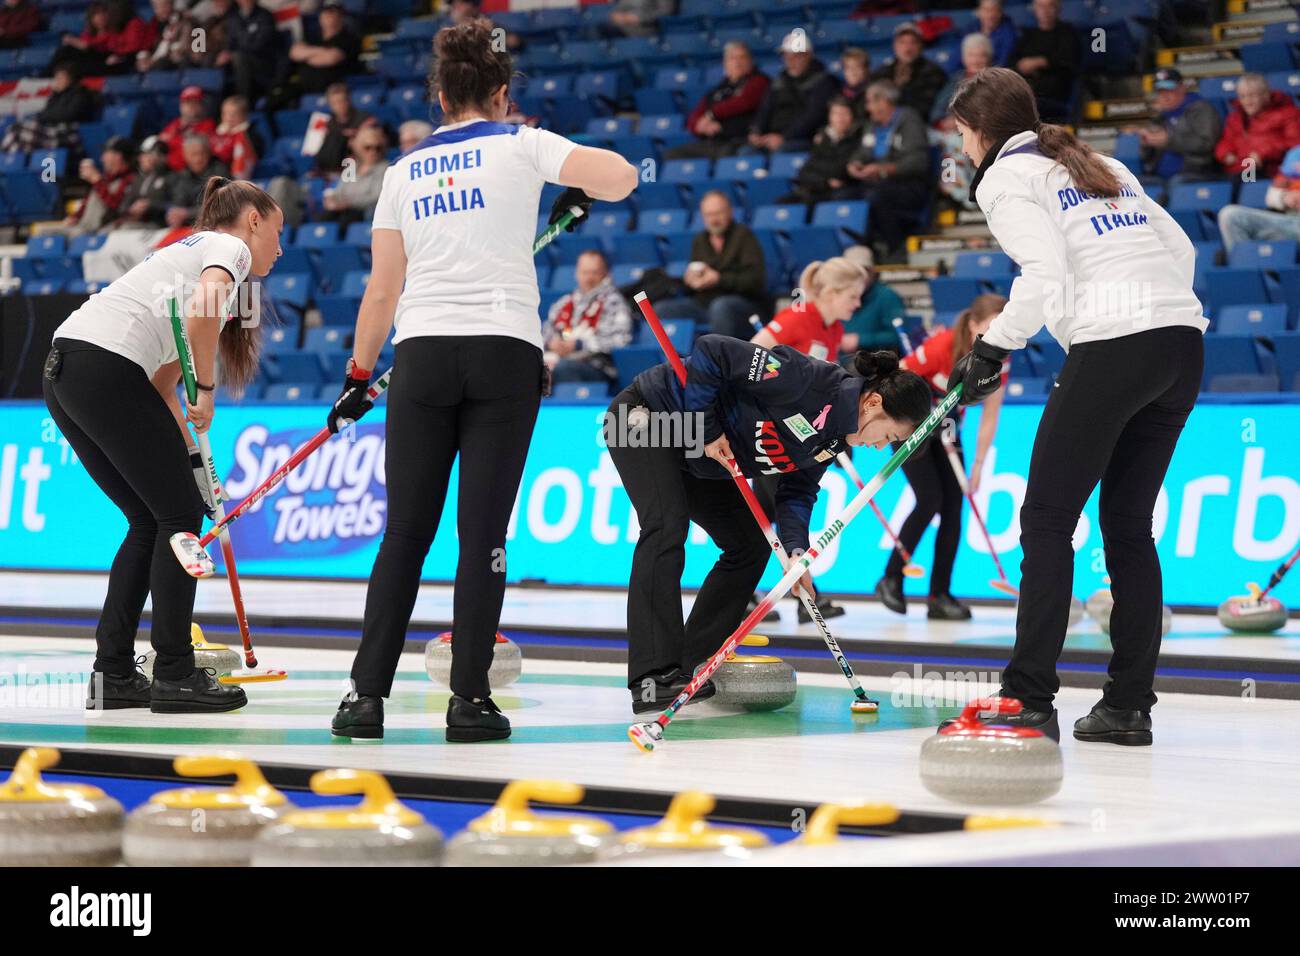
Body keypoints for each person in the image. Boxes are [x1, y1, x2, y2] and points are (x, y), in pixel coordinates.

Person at [327, 18, 636, 743]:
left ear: (439, 98)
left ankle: (363, 699)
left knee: (403, 532)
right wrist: (563, 178)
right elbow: (620, 176)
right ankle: (469, 701)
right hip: (503, 352)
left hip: (423, 354)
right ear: (500, 93)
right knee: (483, 536)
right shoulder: (522, 142)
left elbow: (381, 291)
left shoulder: (402, 171)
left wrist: (358, 375)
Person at [947, 68, 1207, 745]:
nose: (964, 152)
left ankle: (1028, 699)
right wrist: (1147, 308)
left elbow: (1043, 275)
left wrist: (993, 348)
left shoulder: (1006, 180)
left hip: (1116, 346)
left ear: (978, 133)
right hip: (1181, 344)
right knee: (1126, 524)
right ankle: (1127, 707)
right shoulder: (1101, 161)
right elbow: (1178, 248)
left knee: (1046, 520)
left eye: (962, 137)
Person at [43, 177, 283, 714]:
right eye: (276, 231)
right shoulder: (229, 248)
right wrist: (209, 389)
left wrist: (193, 457)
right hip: (103, 369)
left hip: (67, 370)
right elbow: (201, 314)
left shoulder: (188, 252)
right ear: (251, 220)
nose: (279, 246)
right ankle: (174, 672)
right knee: (179, 520)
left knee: (151, 520)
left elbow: (161, 388)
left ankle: (113, 674)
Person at [608, 335, 932, 713]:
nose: (880, 447)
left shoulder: (833, 439)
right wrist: (708, 428)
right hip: (649, 416)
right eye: (888, 436)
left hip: (696, 457)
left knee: (750, 544)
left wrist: (796, 553)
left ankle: (689, 664)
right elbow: (713, 351)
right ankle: (652, 678)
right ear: (874, 402)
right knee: (665, 527)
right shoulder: (806, 380)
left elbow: (797, 490)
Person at [749, 257, 871, 624]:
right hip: (770, 432)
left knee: (765, 517)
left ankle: (781, 595)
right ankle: (803, 598)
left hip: (798, 434)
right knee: (772, 514)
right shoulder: (796, 317)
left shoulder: (831, 327)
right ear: (831, 293)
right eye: (853, 295)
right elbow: (752, 352)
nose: (858, 304)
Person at [875, 293, 1008, 621]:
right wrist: (917, 414)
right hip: (912, 427)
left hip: (948, 431)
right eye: (991, 327)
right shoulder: (942, 345)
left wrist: (978, 464)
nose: (998, 334)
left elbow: (991, 413)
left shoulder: (1001, 356)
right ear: (974, 325)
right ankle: (891, 577)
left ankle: (939, 595)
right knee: (930, 498)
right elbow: (897, 379)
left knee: (953, 507)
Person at [656, 190, 768, 339]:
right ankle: (677, 359)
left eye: (718, 213)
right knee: (661, 310)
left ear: (730, 212)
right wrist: (690, 281)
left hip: (741, 305)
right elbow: (692, 282)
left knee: (721, 306)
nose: (714, 219)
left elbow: (755, 281)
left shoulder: (744, 236)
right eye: (708, 215)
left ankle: (718, 359)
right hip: (704, 305)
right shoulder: (700, 240)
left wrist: (719, 278)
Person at [846, 80, 931, 256]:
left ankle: (894, 249)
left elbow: (918, 162)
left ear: (883, 101)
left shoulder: (909, 119)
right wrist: (854, 164)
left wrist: (883, 169)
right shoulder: (872, 125)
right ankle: (857, 249)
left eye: (870, 102)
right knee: (843, 195)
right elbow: (862, 152)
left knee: (876, 197)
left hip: (908, 185)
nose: (867, 108)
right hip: (876, 184)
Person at [541, 249, 633, 388]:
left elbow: (620, 341)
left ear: (605, 274)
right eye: (585, 272)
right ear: (576, 273)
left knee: (564, 368)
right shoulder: (564, 303)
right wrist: (551, 343)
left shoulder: (614, 302)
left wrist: (579, 345)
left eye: (594, 272)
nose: (589, 278)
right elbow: (545, 333)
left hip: (595, 365)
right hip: (557, 359)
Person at [667, 42, 770, 161]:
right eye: (732, 58)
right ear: (725, 63)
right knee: (672, 155)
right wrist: (700, 126)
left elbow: (743, 102)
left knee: (727, 156)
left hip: (740, 140)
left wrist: (711, 114)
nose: (738, 63)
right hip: (713, 141)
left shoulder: (759, 81)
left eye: (742, 57)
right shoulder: (719, 89)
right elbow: (695, 117)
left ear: (750, 61)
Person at [747, 32, 838, 155]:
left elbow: (812, 116)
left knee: (782, 152)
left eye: (796, 56)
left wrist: (784, 137)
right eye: (787, 57)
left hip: (802, 139)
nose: (791, 61)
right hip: (771, 137)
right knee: (747, 152)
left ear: (808, 55)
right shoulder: (779, 80)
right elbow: (765, 108)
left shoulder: (823, 82)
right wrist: (756, 131)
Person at [1132, 68, 1221, 182]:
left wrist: (1169, 141)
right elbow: (1146, 159)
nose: (1164, 95)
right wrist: (1146, 143)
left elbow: (1206, 143)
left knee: (1176, 182)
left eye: (1169, 89)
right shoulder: (1160, 117)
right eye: (1160, 91)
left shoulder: (1200, 108)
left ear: (1182, 88)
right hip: (1158, 177)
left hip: (1196, 173)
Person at [1214, 73, 1300, 180]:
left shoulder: (1289, 114)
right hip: (1239, 168)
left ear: (1266, 95)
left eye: (1252, 96)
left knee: (1243, 180)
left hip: (1271, 170)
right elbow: (1226, 140)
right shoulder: (1234, 118)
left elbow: (1295, 144)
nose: (1247, 101)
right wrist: (1225, 153)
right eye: (1242, 96)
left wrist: (1263, 153)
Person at [778, 97, 861, 206]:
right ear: (830, 117)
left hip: (839, 192)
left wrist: (819, 171)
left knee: (811, 202)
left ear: (852, 117)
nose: (840, 118)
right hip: (818, 188)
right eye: (836, 114)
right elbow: (804, 172)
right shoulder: (823, 140)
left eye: (844, 113)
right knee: (782, 201)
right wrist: (825, 182)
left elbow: (839, 171)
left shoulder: (857, 141)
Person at [1217, 145, 1300, 253]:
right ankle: (1244, 264)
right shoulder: (1296, 154)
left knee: (1269, 236)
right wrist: (1284, 197)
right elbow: (1271, 197)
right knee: (1229, 215)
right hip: (1288, 221)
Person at [0, 62, 96, 154]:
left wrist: (44, 116)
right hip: (52, 130)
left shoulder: (80, 95)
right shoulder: (59, 95)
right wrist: (55, 95)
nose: (57, 81)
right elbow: (47, 111)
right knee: (17, 137)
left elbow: (68, 115)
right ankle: (9, 164)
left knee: (18, 130)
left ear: (71, 79)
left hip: (67, 134)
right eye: (56, 78)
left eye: (60, 78)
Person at [1010, 0, 1080, 121]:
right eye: (1041, 6)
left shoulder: (1068, 32)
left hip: (1055, 93)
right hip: (1028, 89)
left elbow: (1067, 60)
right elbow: (1012, 62)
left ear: (1058, 9)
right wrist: (1022, 66)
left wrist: (1039, 61)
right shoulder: (1027, 35)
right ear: (1035, 9)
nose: (1045, 10)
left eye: (1050, 6)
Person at [52, 0, 156, 76]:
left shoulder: (134, 24)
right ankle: (46, 76)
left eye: (105, 12)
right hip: (108, 56)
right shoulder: (116, 25)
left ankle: (50, 76)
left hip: (124, 61)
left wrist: (118, 55)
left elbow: (132, 49)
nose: (111, 14)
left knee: (75, 66)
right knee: (67, 51)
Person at [869, 21, 948, 120]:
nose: (907, 48)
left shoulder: (933, 73)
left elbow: (926, 107)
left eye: (913, 42)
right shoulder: (882, 72)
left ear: (920, 45)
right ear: (895, 45)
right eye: (902, 42)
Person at [60, 136, 137, 236]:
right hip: (81, 227)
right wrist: (75, 217)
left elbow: (116, 207)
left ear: (118, 156)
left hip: (99, 231)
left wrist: (97, 180)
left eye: (106, 153)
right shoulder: (104, 179)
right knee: (44, 233)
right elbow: (87, 203)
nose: (102, 158)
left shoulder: (130, 179)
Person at [840, 244, 907, 355]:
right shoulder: (836, 296)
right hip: (836, 363)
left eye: (864, 270)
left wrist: (860, 340)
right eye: (852, 271)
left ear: (873, 272)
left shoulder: (887, 296)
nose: (859, 276)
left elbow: (899, 336)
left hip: (873, 364)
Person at [319, 124, 388, 227]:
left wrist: (349, 203)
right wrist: (332, 199)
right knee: (323, 218)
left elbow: (376, 197)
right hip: (343, 209)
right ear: (359, 148)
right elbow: (339, 191)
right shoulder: (352, 167)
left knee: (346, 220)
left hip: (364, 212)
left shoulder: (384, 169)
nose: (373, 152)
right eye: (368, 147)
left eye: (377, 148)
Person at [288, 2, 362, 94]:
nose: (327, 16)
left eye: (331, 13)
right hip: (303, 90)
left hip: (334, 91)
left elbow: (331, 58)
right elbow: (294, 53)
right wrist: (322, 51)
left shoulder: (348, 39)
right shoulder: (312, 38)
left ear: (340, 18)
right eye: (325, 13)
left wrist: (306, 56)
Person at [222, 0, 285, 108]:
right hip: (241, 58)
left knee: (239, 58)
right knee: (216, 59)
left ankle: (243, 104)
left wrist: (237, 51)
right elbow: (231, 41)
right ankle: (217, 106)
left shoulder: (265, 16)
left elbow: (261, 44)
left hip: (263, 61)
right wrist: (226, 52)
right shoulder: (234, 17)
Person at [166, 135, 230, 227]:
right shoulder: (183, 175)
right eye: (193, 154)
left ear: (209, 153)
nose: (198, 159)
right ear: (185, 156)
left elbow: (221, 206)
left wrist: (187, 214)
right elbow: (178, 203)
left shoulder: (220, 173)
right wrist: (174, 215)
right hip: (189, 227)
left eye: (202, 153)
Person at [115, 135, 172, 229]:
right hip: (137, 222)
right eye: (144, 155)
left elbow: (176, 205)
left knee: (126, 228)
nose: (144, 159)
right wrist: (131, 210)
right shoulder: (138, 179)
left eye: (149, 155)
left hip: (160, 225)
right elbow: (123, 206)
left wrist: (150, 205)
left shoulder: (172, 177)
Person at [158, 86, 217, 172]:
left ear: (202, 105)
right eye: (187, 102)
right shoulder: (174, 124)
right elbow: (161, 144)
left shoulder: (208, 124)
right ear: (181, 105)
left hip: (192, 172)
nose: (191, 106)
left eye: (195, 102)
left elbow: (195, 151)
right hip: (168, 171)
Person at [210, 95, 261, 179]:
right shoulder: (215, 134)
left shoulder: (250, 135)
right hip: (213, 172)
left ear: (244, 116)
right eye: (225, 113)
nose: (229, 117)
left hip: (234, 176)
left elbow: (252, 157)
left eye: (234, 114)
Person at [965, 0, 1017, 67]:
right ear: (978, 11)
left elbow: (1003, 63)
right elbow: (957, 56)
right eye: (986, 10)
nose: (990, 15)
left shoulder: (1010, 34)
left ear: (1001, 13)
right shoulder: (970, 29)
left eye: (994, 10)